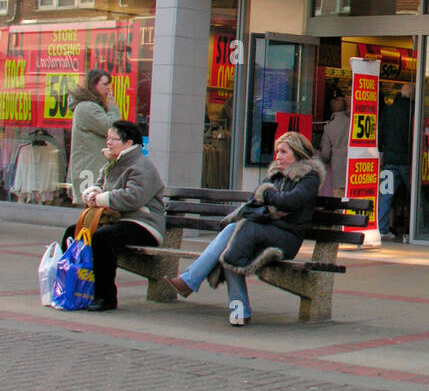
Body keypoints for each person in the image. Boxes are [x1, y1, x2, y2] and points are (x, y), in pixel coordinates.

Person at [164, 132, 322, 326]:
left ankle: (191, 281)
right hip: (263, 232)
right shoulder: (275, 175)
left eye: (283, 152)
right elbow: (253, 201)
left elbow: (291, 202)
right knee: (233, 247)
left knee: (237, 234)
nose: (278, 156)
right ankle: (238, 311)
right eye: (276, 152)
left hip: (286, 238)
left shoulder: (309, 176)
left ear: (297, 154)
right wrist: (270, 200)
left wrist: (268, 194)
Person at [60, 120, 165, 312]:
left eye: (113, 139)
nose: (108, 142)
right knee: (72, 232)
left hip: (143, 224)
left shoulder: (141, 166)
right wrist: (92, 193)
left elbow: (133, 197)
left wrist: (100, 199)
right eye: (108, 138)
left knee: (102, 238)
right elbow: (100, 185)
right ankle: (71, 287)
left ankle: (105, 297)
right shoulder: (115, 162)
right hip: (118, 220)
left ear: (128, 143)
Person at [67, 68, 120, 203]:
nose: (108, 87)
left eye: (109, 84)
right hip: (90, 168)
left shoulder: (90, 106)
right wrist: (113, 107)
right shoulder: (87, 107)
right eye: (105, 84)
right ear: (93, 85)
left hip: (93, 166)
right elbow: (111, 128)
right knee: (91, 208)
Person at [377, 82, 413, 238]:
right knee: (416, 195)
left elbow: (381, 132)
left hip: (390, 159)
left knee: (386, 195)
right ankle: (421, 229)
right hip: (406, 159)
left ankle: (382, 228)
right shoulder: (413, 111)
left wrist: (382, 152)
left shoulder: (389, 109)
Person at [319, 91, 350, 198]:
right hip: (354, 173)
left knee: (339, 205)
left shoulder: (328, 127)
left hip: (338, 175)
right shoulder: (353, 124)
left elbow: (325, 155)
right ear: (346, 108)